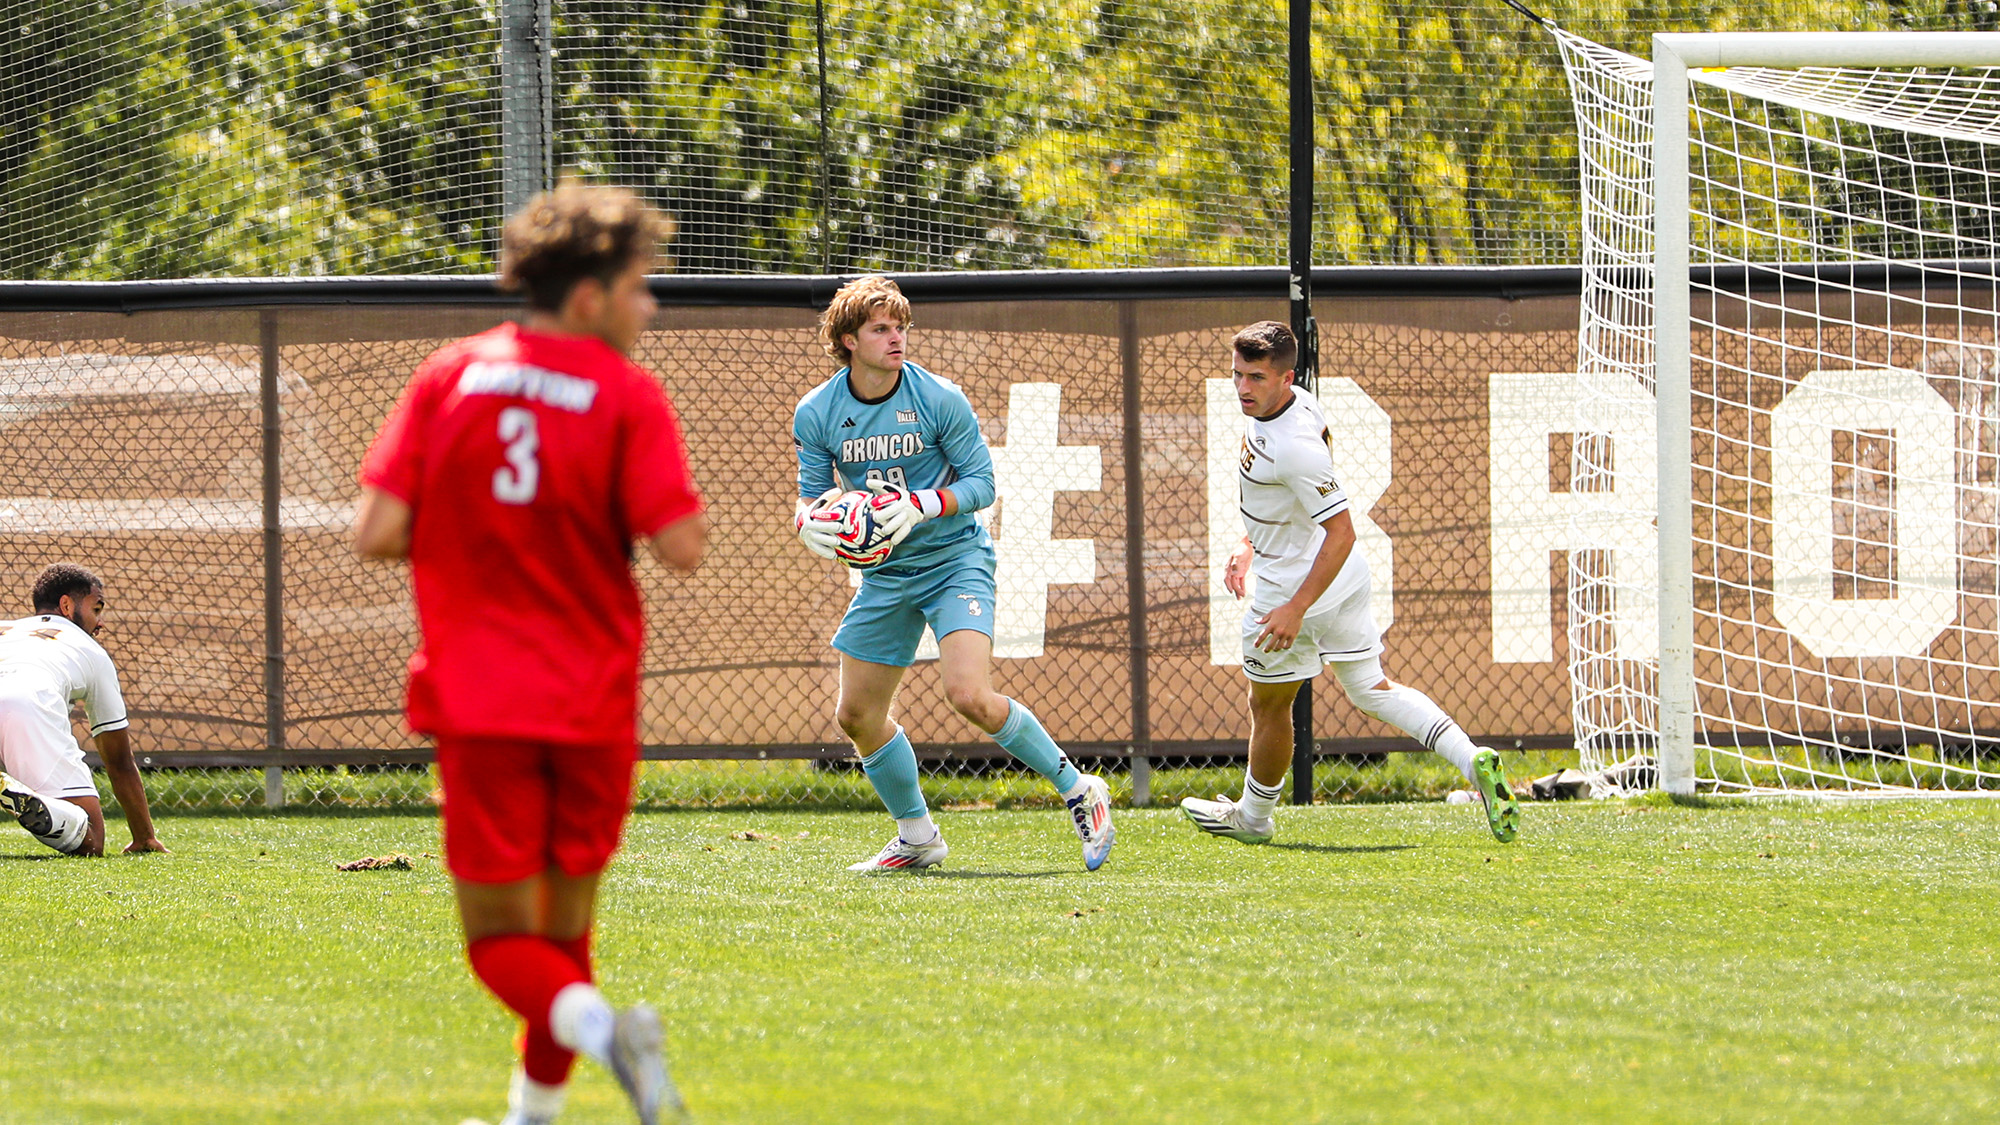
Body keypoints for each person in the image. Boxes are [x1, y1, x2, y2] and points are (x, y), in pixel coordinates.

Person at [353, 183, 707, 1125]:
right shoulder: (627, 393)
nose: (651, 306)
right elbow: (681, 544)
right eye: (641, 287)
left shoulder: (450, 374)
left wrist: (474, 532)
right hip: (592, 704)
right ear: (589, 299)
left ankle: (602, 1033)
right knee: (564, 932)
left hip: (481, 702)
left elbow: (378, 528)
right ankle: (533, 1118)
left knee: (501, 946)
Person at [791, 275, 1115, 872]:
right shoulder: (817, 412)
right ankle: (918, 836)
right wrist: (806, 519)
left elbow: (982, 486)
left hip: (953, 560)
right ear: (847, 340)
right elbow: (814, 496)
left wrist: (919, 504)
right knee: (856, 716)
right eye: (881, 329)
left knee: (968, 694)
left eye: (901, 328)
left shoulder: (940, 397)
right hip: (886, 574)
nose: (897, 339)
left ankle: (1078, 788)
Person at [1181, 321, 1520, 845]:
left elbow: (1341, 530)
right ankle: (1472, 760)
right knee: (1372, 689)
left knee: (1269, 705)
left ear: (1286, 377)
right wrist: (1249, 543)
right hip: (1340, 581)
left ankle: (1252, 819)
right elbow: (1296, 507)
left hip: (1295, 590)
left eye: (1256, 377)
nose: (1243, 388)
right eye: (1236, 375)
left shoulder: (1292, 447)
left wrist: (1295, 607)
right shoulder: (1294, 404)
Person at [0, 564, 165, 857]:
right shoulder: (91, 652)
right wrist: (144, 837)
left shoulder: (7, 627)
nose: (99, 623)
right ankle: (47, 807)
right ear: (66, 605)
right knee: (91, 838)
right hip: (24, 701)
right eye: (96, 609)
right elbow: (119, 760)